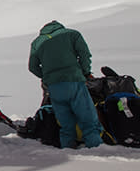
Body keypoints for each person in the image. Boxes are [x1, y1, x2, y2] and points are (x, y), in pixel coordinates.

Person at [28, 21, 102, 149]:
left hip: (54, 87)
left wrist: (47, 77)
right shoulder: (72, 34)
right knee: (87, 119)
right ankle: (95, 147)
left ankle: (67, 148)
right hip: (74, 81)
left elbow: (32, 67)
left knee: (65, 123)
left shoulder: (37, 42)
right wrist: (85, 72)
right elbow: (84, 54)